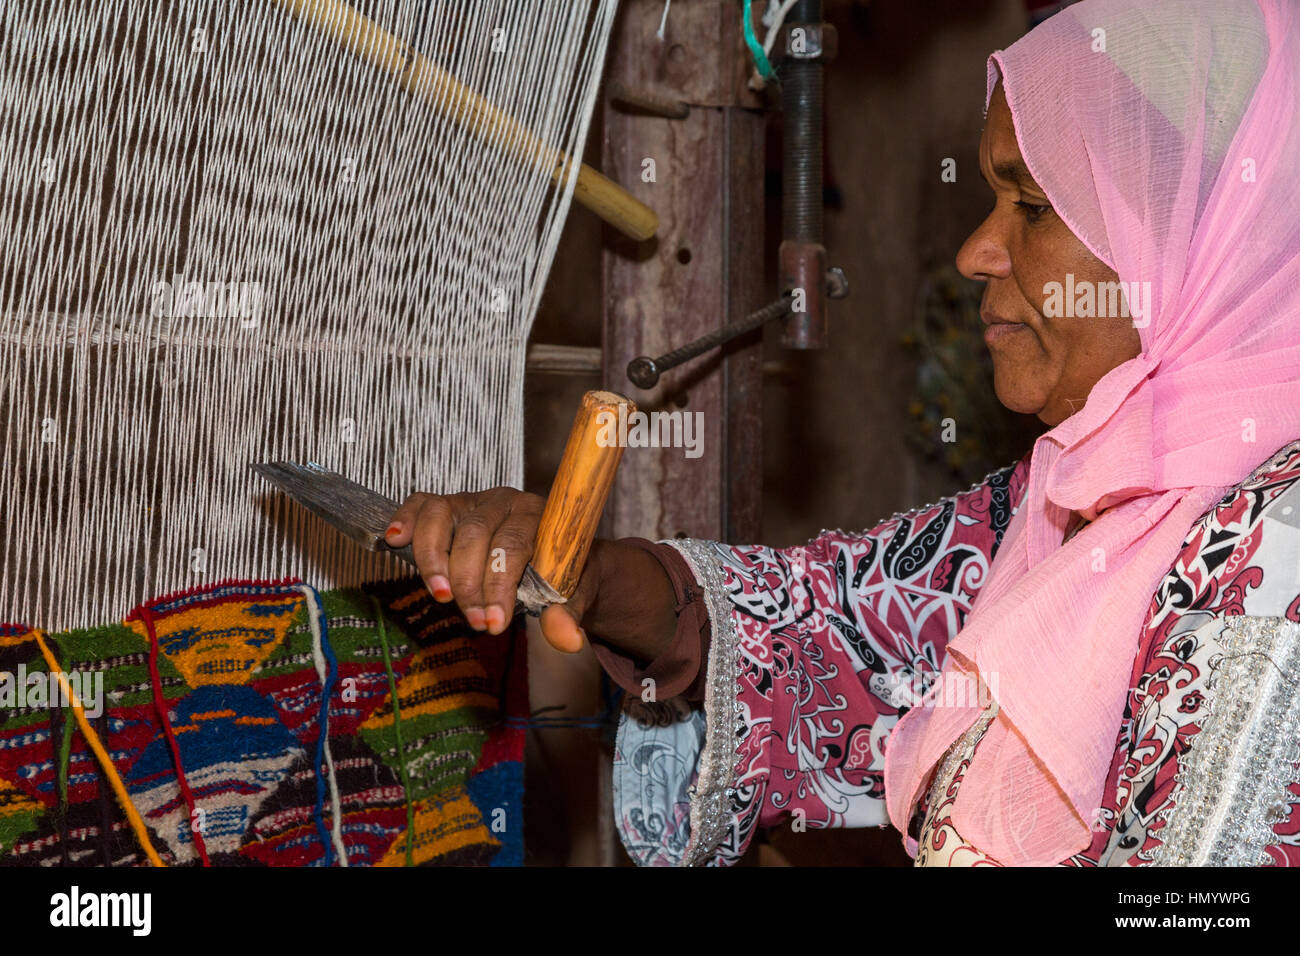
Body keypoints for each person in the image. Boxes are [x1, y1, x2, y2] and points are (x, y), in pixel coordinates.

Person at [385, 0, 1300, 866]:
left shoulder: (1277, 545)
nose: (976, 251)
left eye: (1033, 206)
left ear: (1199, 236)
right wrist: (590, 576)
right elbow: (828, 633)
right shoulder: (1068, 503)